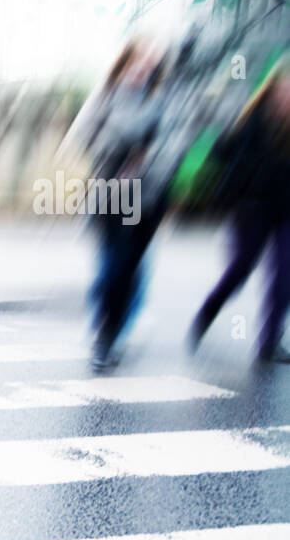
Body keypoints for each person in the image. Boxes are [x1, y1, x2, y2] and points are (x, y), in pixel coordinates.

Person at [78, 42, 173, 373]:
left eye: (151, 61)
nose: (143, 67)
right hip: (111, 192)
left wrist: (145, 159)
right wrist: (123, 145)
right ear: (125, 62)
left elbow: (170, 145)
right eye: (138, 59)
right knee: (113, 266)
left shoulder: (162, 101)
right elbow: (83, 136)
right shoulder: (105, 96)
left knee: (131, 268)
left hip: (149, 195)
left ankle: (115, 329)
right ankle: (104, 337)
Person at [190, 59, 290, 364]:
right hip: (253, 208)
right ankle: (209, 309)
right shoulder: (249, 121)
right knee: (240, 270)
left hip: (286, 211)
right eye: (284, 90)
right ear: (272, 91)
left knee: (284, 276)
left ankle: (269, 343)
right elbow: (220, 154)